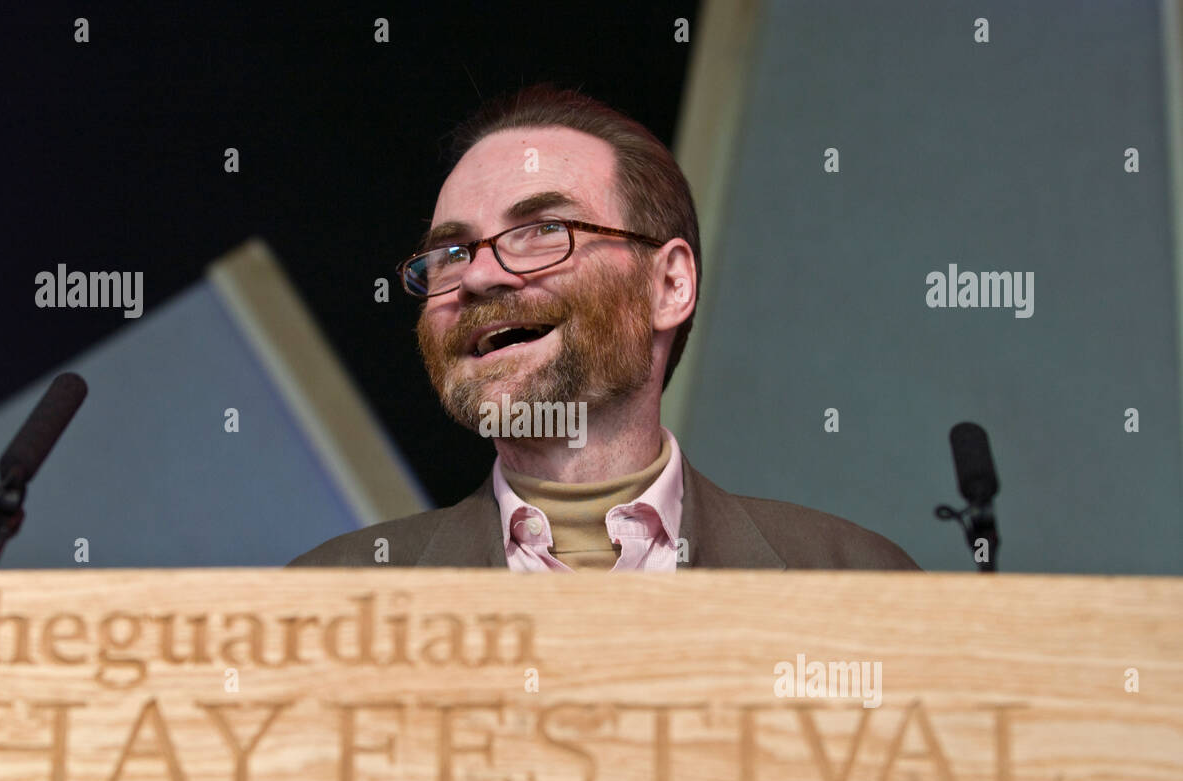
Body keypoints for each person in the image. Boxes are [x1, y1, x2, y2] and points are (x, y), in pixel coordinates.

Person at [289, 85, 918, 571]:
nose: (478, 277)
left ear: (669, 285)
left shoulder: (855, 581)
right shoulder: (326, 601)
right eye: (451, 253)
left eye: (542, 231)